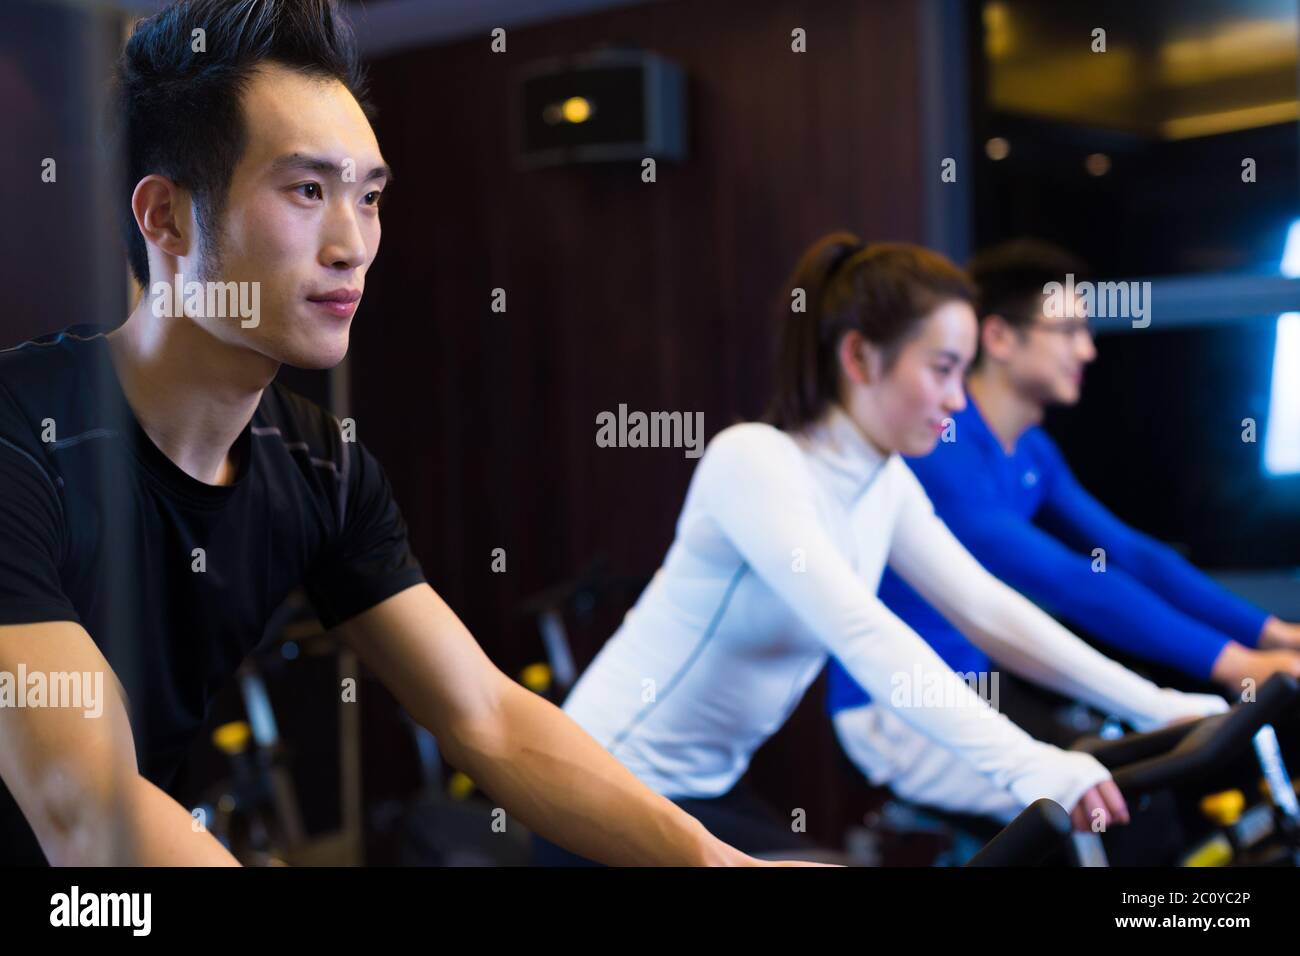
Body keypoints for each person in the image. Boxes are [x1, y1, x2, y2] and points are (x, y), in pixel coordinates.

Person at [0, 0, 812, 868]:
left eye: (369, 196)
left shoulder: (319, 467)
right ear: (165, 217)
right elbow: (87, 809)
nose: (352, 244)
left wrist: (715, 863)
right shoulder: (22, 438)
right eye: (308, 191)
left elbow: (486, 718)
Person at [554, 233, 1225, 862]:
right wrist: (1028, 764)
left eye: (963, 372)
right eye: (941, 370)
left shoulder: (884, 481)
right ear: (859, 357)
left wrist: (1155, 704)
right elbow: (862, 631)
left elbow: (988, 610)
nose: (958, 400)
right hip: (596, 782)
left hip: (704, 786)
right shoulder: (755, 461)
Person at [825, 240, 1300, 822]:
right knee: (1111, 808)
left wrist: (1269, 634)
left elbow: (1127, 554)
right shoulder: (937, 451)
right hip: (894, 708)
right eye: (1070, 329)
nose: (1088, 349)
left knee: (1137, 784)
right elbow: (1068, 580)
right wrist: (1233, 665)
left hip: (974, 679)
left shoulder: (1029, 449)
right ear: (998, 339)